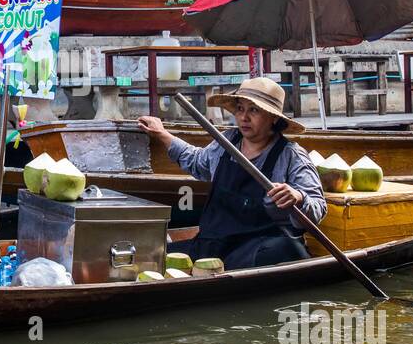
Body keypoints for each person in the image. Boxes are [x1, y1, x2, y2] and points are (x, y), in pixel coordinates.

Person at [138, 77, 326, 269]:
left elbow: (318, 207)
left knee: (285, 249)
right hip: (213, 245)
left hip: (253, 249)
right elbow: (196, 162)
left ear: (274, 117)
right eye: (240, 109)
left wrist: (299, 197)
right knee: (150, 254)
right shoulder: (227, 141)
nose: (244, 118)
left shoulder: (291, 155)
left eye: (254, 110)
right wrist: (162, 134)